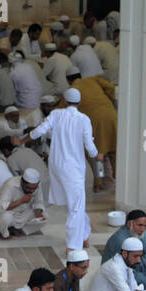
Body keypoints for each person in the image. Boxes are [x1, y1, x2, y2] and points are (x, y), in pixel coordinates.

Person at [28, 89, 100, 251]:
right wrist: (97, 154)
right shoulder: (83, 119)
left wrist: (24, 138)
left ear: (65, 101)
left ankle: (83, 234)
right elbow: (89, 145)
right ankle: (74, 245)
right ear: (79, 102)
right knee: (76, 206)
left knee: (74, 204)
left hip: (56, 167)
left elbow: (39, 131)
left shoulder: (56, 114)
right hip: (72, 169)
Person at [0, 169, 47, 239]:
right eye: (28, 188)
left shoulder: (36, 185)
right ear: (22, 182)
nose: (31, 191)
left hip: (21, 212)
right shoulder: (10, 184)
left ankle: (18, 229)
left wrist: (38, 212)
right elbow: (1, 207)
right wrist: (21, 201)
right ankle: (3, 232)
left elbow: (38, 202)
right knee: (6, 218)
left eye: (34, 188)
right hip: (2, 212)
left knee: (44, 217)